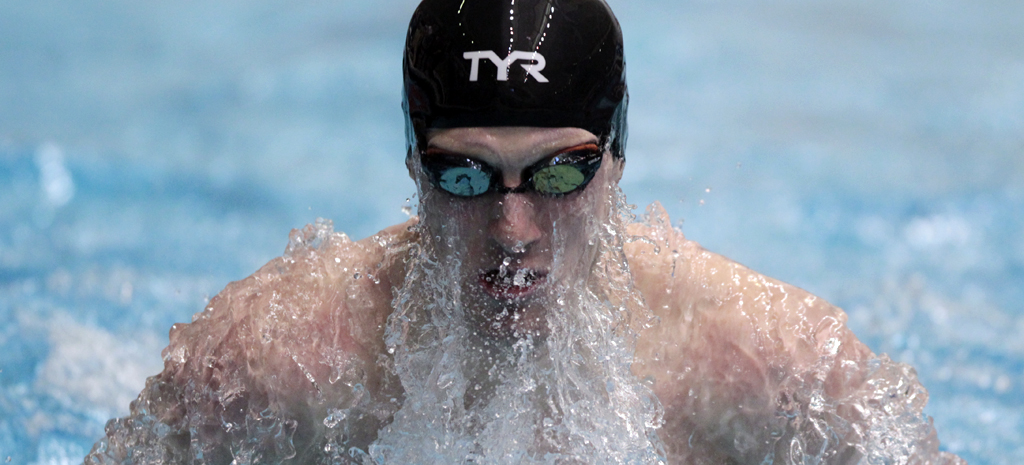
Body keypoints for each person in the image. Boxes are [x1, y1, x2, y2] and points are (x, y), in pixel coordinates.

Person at [86, 0, 965, 463]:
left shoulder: (770, 369)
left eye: (558, 172)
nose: (513, 227)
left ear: (616, 157)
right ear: (411, 167)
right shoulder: (273, 366)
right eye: (463, 175)